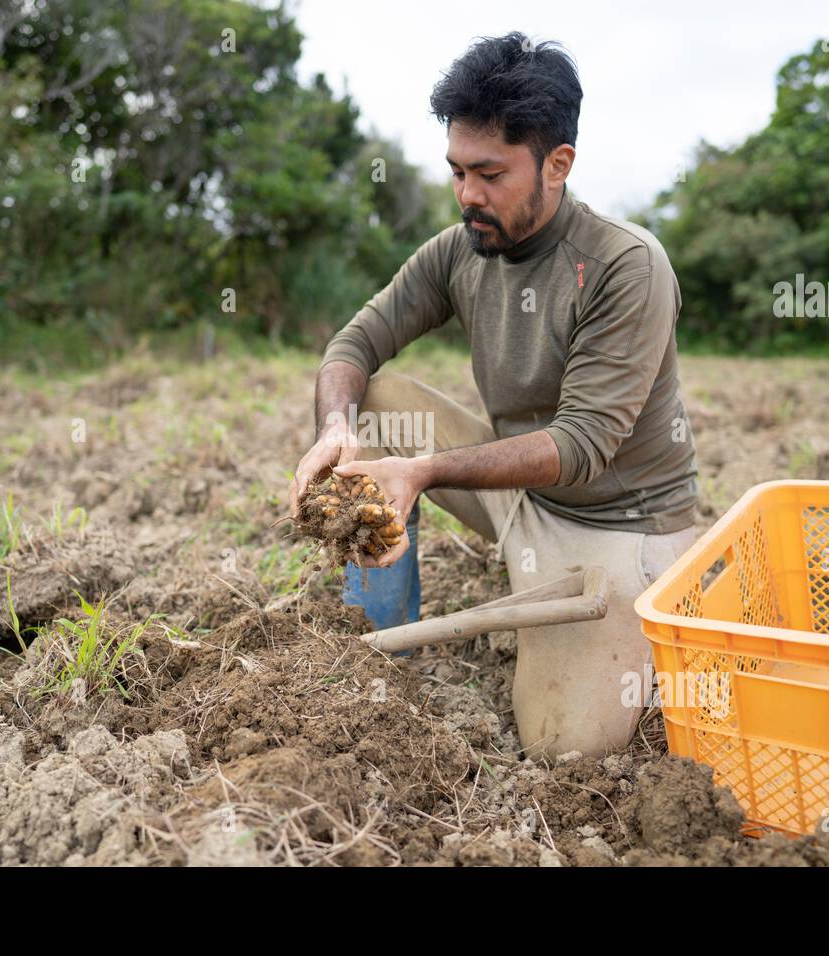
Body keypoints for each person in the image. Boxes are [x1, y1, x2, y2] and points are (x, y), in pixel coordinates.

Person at [290, 32, 699, 758]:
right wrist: (333, 432)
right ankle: (381, 639)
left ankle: (650, 624)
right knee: (371, 400)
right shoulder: (461, 249)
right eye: (456, 172)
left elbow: (581, 446)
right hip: (519, 499)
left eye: (490, 174)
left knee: (562, 749)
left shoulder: (623, 265)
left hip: (618, 524)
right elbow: (354, 345)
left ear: (557, 164)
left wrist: (421, 471)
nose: (468, 196)